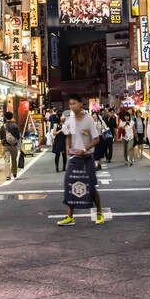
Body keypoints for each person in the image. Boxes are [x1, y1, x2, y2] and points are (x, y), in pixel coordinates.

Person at [58, 95, 105, 225]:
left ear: (81, 104)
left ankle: (99, 212)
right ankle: (70, 216)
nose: (72, 106)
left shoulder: (88, 120)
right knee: (70, 185)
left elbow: (96, 139)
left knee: (91, 186)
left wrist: (84, 149)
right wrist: (68, 147)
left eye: (74, 103)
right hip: (74, 158)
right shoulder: (69, 119)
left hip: (87, 158)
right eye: (70, 104)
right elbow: (67, 134)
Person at [0, 110, 21, 181]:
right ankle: (14, 173)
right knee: (14, 160)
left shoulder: (3, 127)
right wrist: (20, 146)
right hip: (14, 145)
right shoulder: (15, 126)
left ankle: (8, 175)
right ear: (12, 117)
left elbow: (1, 137)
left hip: (6, 145)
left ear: (5, 117)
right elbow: (18, 137)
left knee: (7, 160)